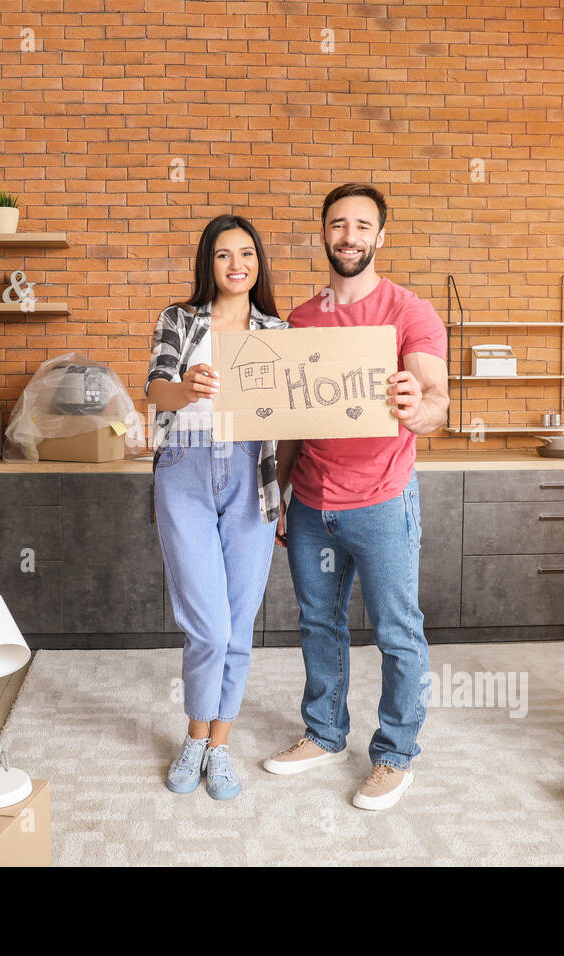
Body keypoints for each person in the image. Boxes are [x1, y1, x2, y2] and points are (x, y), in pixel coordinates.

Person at [263, 183, 449, 811]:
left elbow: (436, 406)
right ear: (324, 232)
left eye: (362, 225)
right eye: (338, 225)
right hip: (313, 503)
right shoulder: (302, 320)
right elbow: (290, 420)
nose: (349, 236)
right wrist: (281, 493)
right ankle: (324, 734)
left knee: (397, 632)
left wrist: (414, 405)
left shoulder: (410, 313)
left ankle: (395, 754)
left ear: (379, 236)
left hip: (382, 500)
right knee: (318, 623)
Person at [146, 214, 288, 800]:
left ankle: (219, 743)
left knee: (236, 624)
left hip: (253, 471)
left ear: (259, 263)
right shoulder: (179, 320)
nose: (237, 265)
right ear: (209, 263)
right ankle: (194, 737)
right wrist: (188, 387)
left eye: (247, 254)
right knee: (207, 625)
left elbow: (291, 414)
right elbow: (155, 390)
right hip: (185, 464)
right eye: (224, 255)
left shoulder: (278, 331)